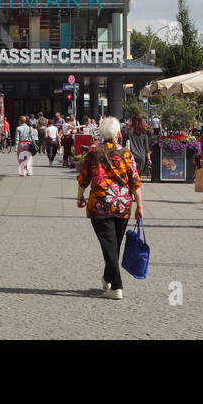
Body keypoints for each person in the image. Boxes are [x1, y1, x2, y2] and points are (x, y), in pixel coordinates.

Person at [77, 116, 145, 300]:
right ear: (118, 133)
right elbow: (135, 182)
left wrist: (79, 197)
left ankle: (116, 287)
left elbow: (83, 178)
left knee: (109, 245)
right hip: (123, 205)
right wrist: (139, 206)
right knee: (113, 245)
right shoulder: (126, 154)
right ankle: (108, 277)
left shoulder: (93, 153)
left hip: (100, 205)